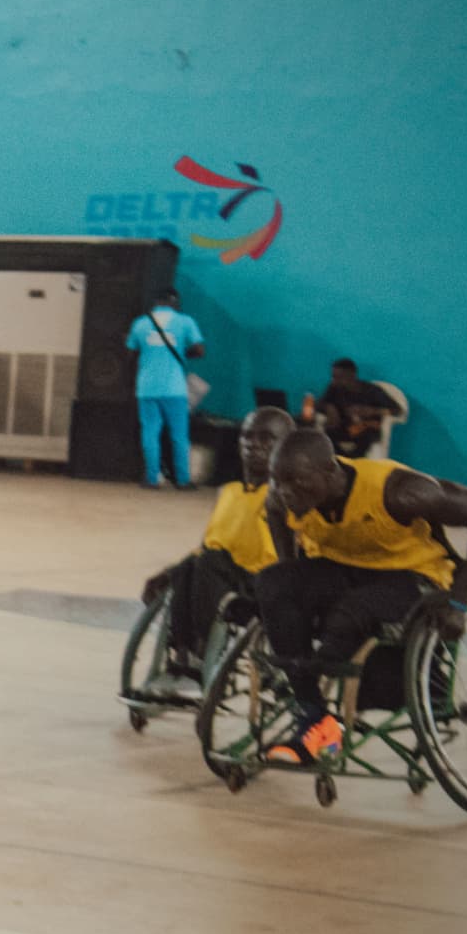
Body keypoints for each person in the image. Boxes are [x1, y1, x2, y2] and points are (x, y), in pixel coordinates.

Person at [253, 428, 467, 764]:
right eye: (278, 481)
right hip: (344, 568)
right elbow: (289, 570)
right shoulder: (280, 498)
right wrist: (292, 609)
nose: (285, 492)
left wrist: (458, 603)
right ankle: (313, 715)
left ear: (330, 471)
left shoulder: (401, 492)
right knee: (273, 583)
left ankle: (324, 676)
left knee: (351, 612)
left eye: (296, 482)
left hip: (412, 575)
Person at [138, 405, 291, 682]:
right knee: (190, 566)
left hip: (261, 582)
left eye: (266, 439)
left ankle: (201, 654)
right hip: (223, 573)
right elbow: (210, 544)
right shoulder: (230, 492)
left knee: (206, 563)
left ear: (286, 446)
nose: (253, 445)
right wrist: (169, 573)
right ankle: (182, 653)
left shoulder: (288, 496)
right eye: (247, 436)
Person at [126, 286, 205, 490]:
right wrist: (181, 354)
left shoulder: (141, 324)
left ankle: (151, 479)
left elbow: (130, 352)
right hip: (174, 389)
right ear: (175, 302)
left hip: (147, 388)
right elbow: (199, 349)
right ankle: (182, 480)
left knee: (150, 433)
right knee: (179, 435)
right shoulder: (185, 321)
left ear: (156, 302)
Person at [301, 358, 396, 460]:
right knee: (320, 431)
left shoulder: (372, 391)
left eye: (339, 377)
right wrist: (329, 407)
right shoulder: (334, 388)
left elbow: (396, 409)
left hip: (365, 429)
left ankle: (351, 462)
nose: (334, 380)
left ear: (352, 375)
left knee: (366, 435)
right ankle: (339, 460)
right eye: (333, 377)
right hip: (343, 428)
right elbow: (319, 404)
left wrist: (371, 410)